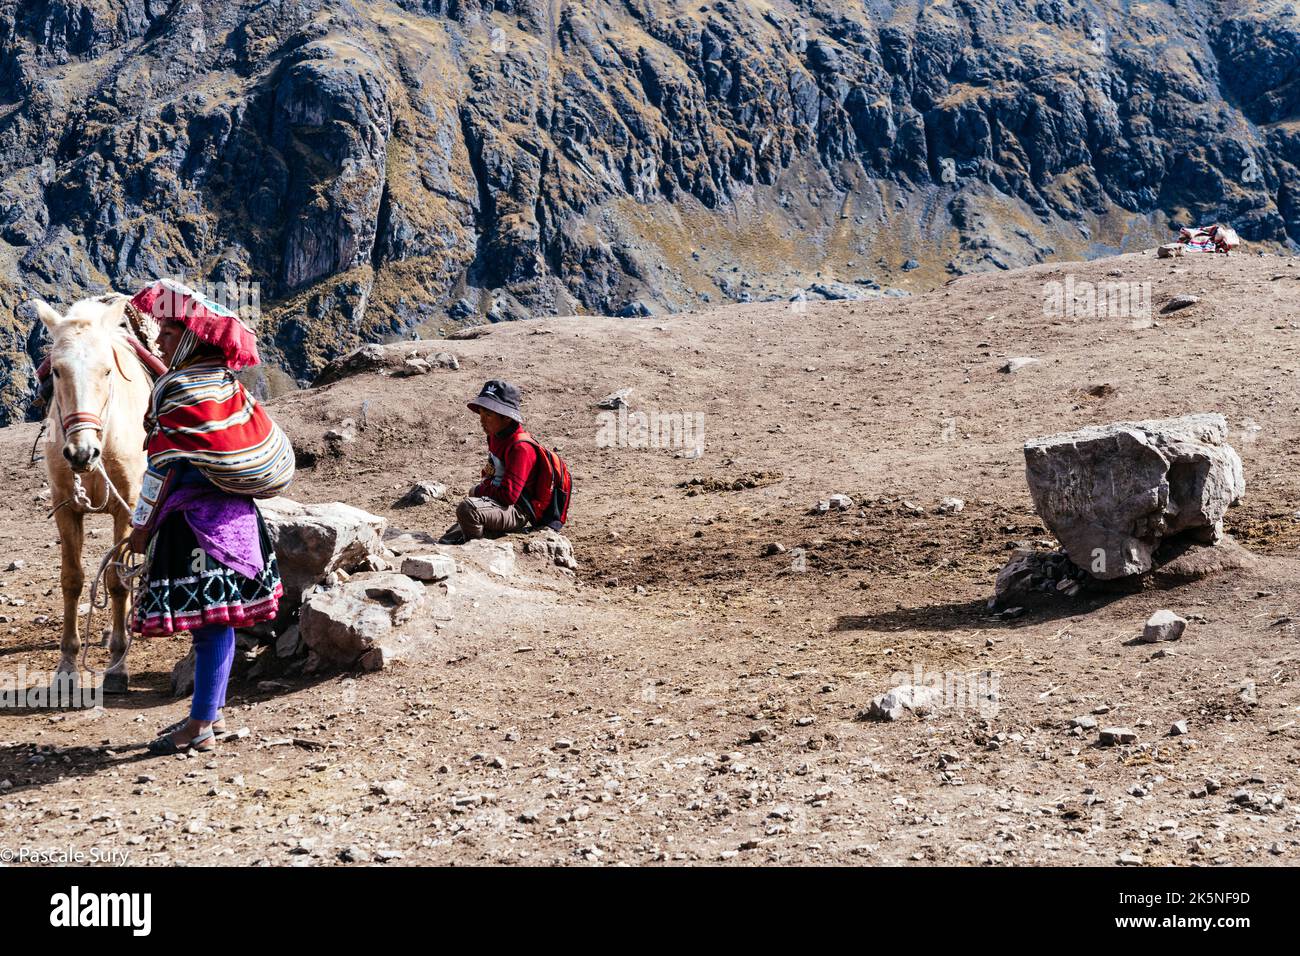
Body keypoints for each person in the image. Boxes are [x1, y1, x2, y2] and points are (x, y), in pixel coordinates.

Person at [127, 283, 285, 756]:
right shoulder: (228, 385)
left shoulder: (174, 387)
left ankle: (201, 723)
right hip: (239, 519)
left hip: (194, 524)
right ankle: (205, 716)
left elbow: (163, 467)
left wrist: (141, 527)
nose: (162, 341)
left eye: (172, 331)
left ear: (193, 339)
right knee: (220, 622)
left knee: (210, 625)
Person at [442, 380, 570, 543]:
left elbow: (508, 497)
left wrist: (480, 490)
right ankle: (478, 535)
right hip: (496, 504)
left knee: (468, 509)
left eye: (488, 415)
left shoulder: (521, 448)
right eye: (481, 413)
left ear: (507, 418)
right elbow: (491, 472)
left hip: (517, 511)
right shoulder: (495, 436)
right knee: (447, 540)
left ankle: (477, 547)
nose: (482, 420)